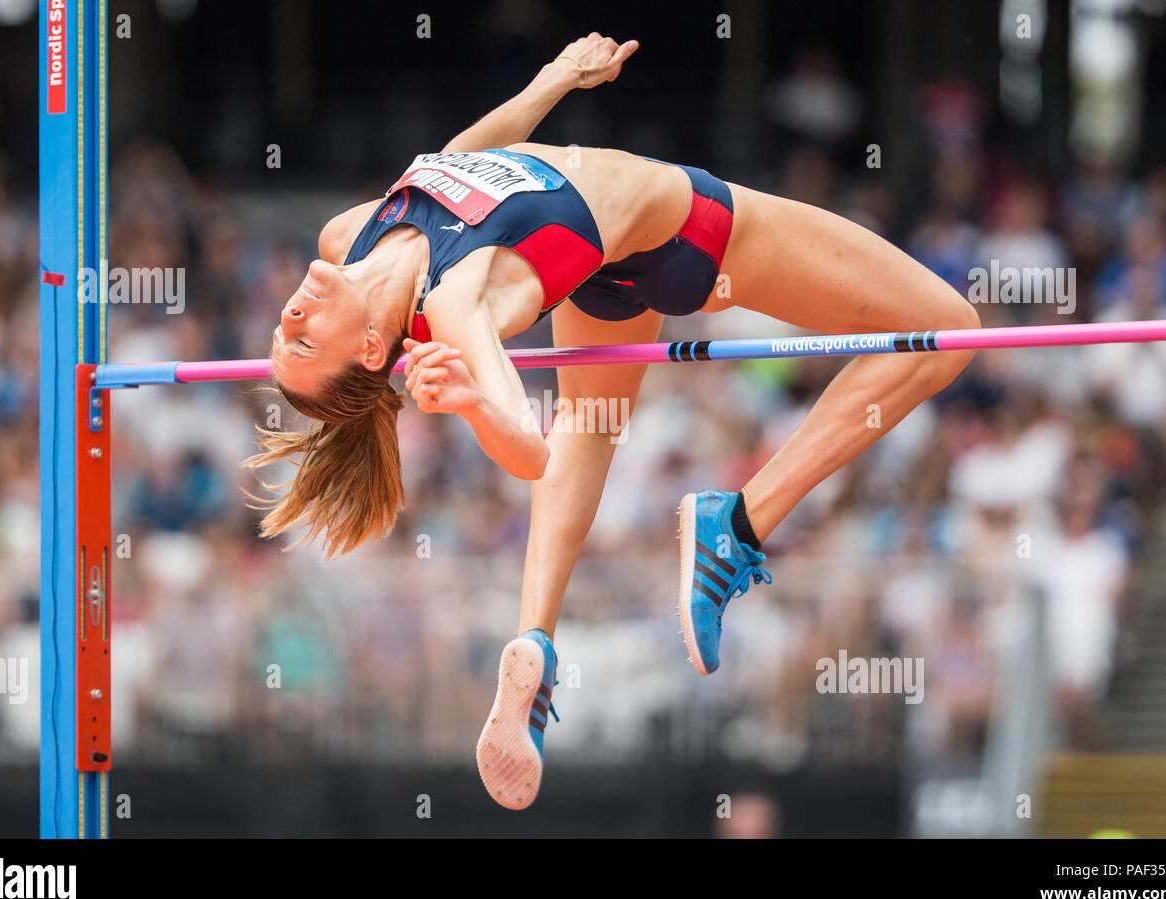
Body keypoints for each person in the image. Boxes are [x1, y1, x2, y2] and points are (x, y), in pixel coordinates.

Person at [247, 33, 980, 810]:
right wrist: (467, 403)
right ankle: (742, 522)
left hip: (601, 275)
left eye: (278, 334)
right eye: (302, 341)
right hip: (690, 233)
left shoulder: (347, 235)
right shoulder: (457, 303)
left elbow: (459, 162)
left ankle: (535, 638)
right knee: (949, 327)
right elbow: (530, 450)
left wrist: (551, 82)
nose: (287, 316)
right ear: (369, 349)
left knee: (592, 429)